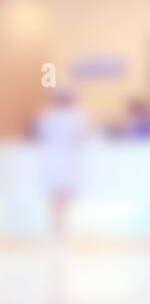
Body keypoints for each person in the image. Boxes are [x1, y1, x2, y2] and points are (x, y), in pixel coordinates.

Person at [33, 87, 91, 240]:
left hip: (64, 159)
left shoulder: (72, 116)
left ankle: (59, 226)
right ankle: (58, 227)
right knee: (57, 195)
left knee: (62, 195)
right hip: (58, 159)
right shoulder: (52, 116)